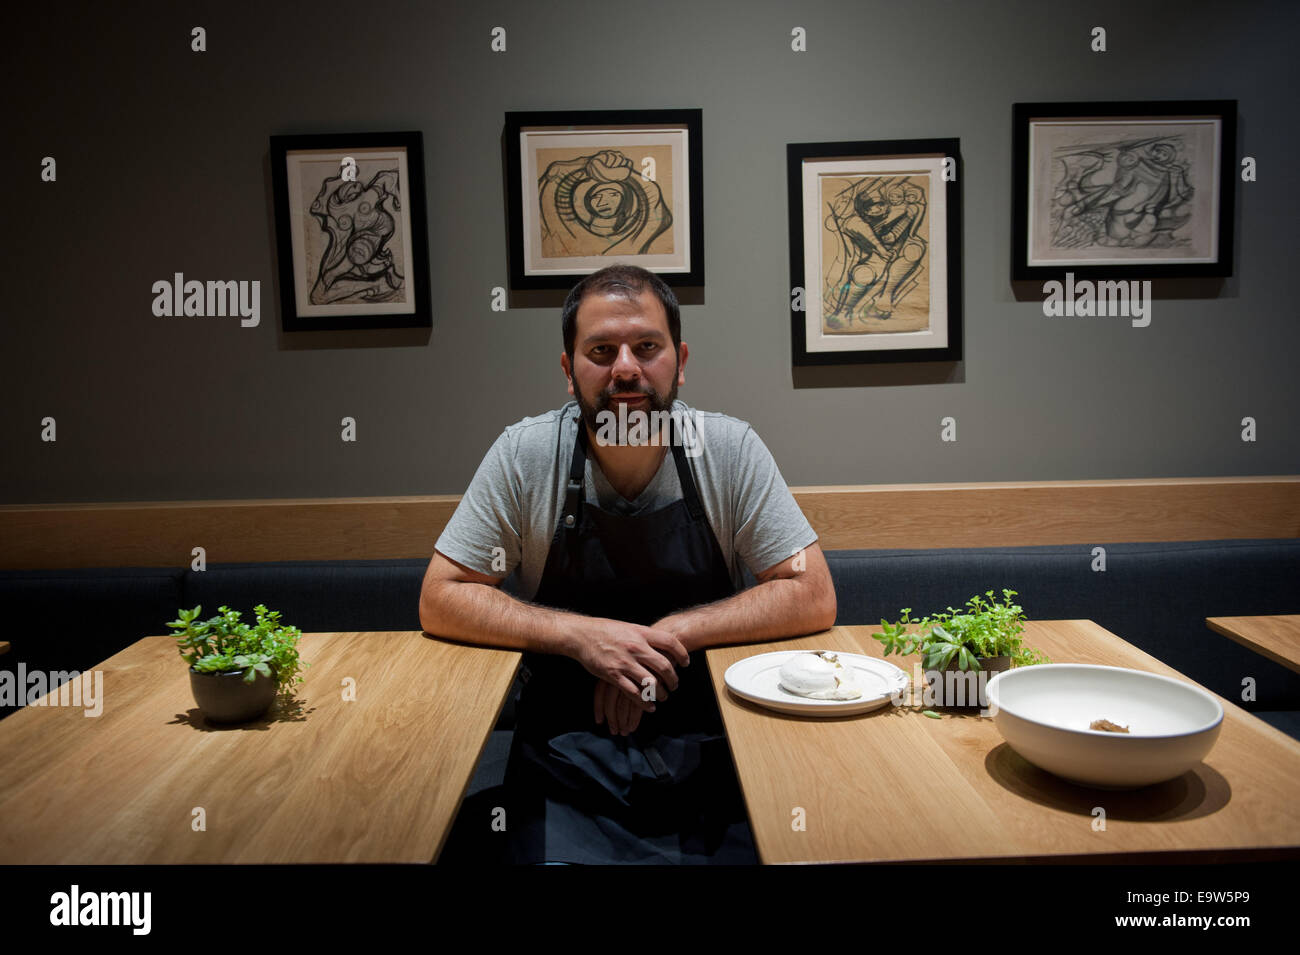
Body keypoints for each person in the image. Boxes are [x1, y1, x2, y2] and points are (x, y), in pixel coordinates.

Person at [419, 263, 836, 864]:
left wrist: (668, 636)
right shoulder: (525, 454)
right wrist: (582, 637)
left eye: (646, 346)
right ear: (569, 370)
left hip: (716, 751)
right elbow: (442, 595)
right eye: (600, 350)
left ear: (680, 359)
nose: (625, 368)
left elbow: (812, 591)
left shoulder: (727, 449)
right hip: (565, 759)